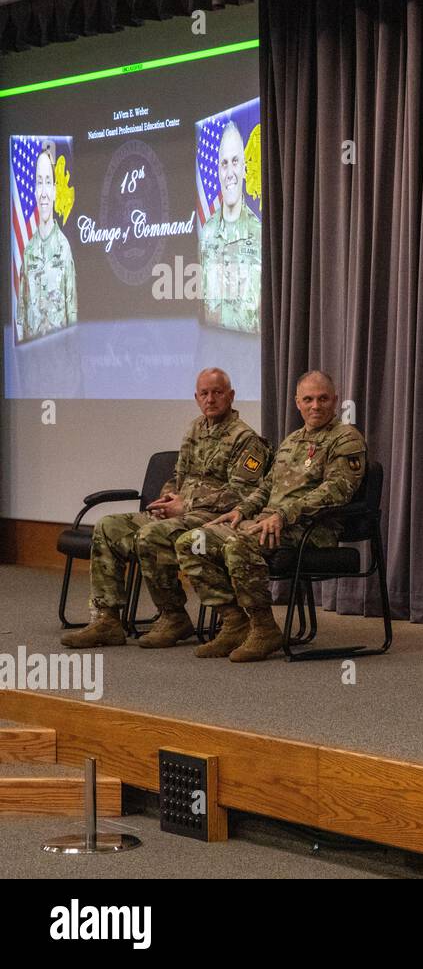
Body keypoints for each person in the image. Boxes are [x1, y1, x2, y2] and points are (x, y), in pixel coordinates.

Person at [61, 368, 269, 649]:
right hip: (182, 512)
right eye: (204, 393)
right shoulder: (196, 428)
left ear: (231, 396)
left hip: (213, 518)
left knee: (152, 535)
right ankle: (107, 619)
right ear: (196, 398)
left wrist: (187, 504)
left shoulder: (246, 439)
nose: (210, 399)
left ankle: (173, 616)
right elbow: (177, 477)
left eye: (217, 392)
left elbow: (242, 493)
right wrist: (167, 499)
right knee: (108, 526)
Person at [175, 371, 366, 662]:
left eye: (323, 399)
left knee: (238, 544)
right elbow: (266, 487)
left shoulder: (346, 439)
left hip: (310, 530)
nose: (316, 406)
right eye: (308, 399)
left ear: (335, 401)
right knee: (191, 541)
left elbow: (336, 491)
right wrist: (241, 511)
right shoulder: (292, 441)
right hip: (267, 522)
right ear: (297, 403)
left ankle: (264, 628)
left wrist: (283, 515)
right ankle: (234, 623)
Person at [198, 120, 261, 332]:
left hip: (251, 355)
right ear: (218, 170)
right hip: (213, 349)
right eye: (224, 163)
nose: (229, 173)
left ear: (244, 168)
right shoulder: (206, 234)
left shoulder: (259, 234)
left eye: (235, 162)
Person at [16, 142, 77, 342]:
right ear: (34, 189)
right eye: (39, 182)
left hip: (60, 365)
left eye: (48, 182)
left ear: (54, 189)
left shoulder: (64, 248)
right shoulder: (28, 252)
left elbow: (73, 319)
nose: (43, 192)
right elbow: (21, 321)